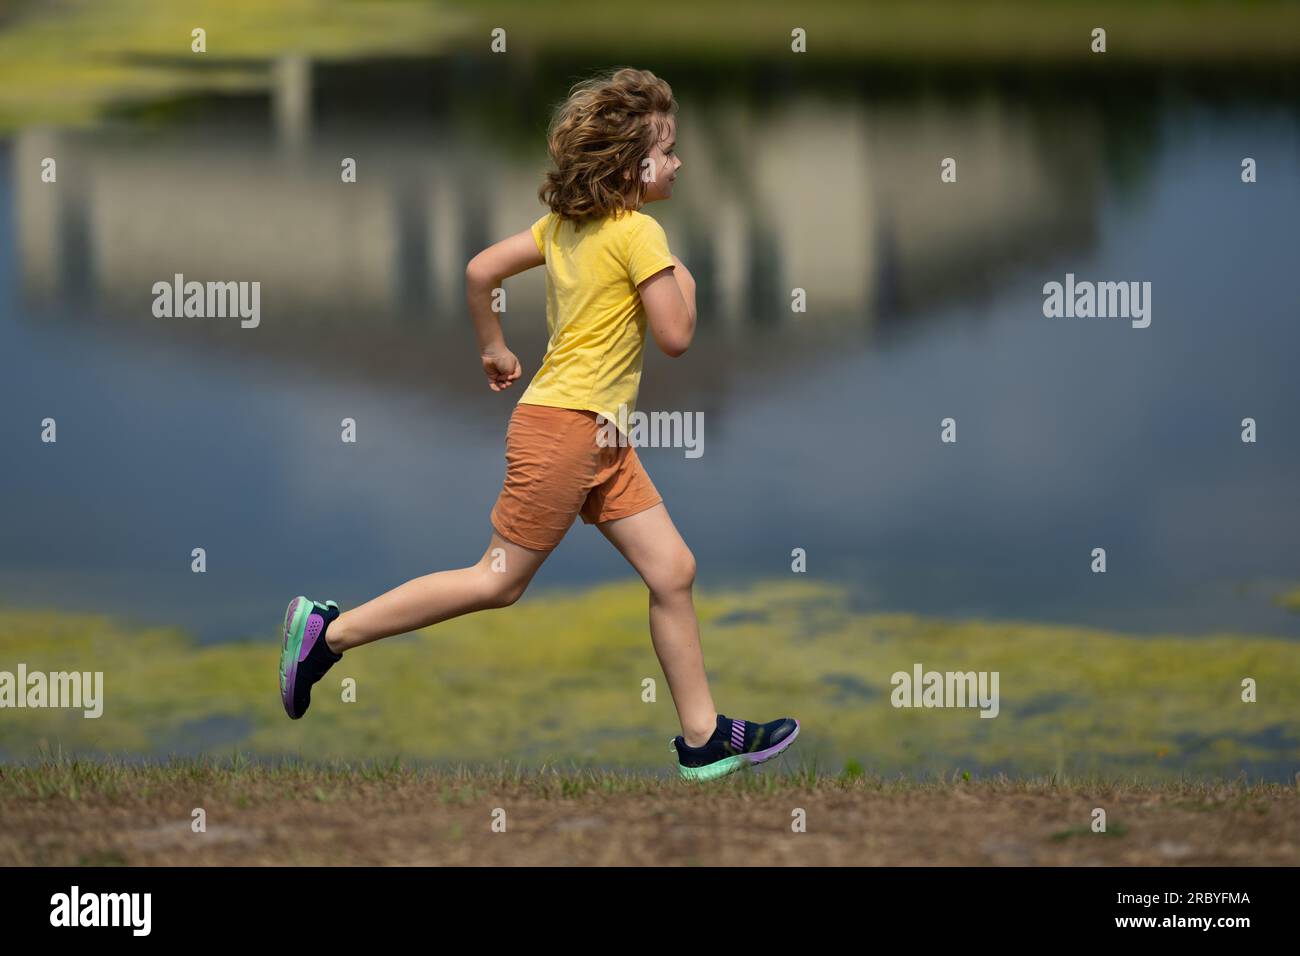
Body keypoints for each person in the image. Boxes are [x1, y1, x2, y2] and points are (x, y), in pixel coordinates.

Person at [278, 67, 799, 781]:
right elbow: (676, 336)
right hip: (567, 432)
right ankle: (327, 635)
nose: (679, 163)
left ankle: (703, 736)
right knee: (495, 581)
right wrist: (687, 277)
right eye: (668, 151)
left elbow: (479, 270)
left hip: (596, 436)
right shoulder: (641, 234)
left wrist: (493, 346)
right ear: (634, 166)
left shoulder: (563, 227)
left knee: (673, 570)